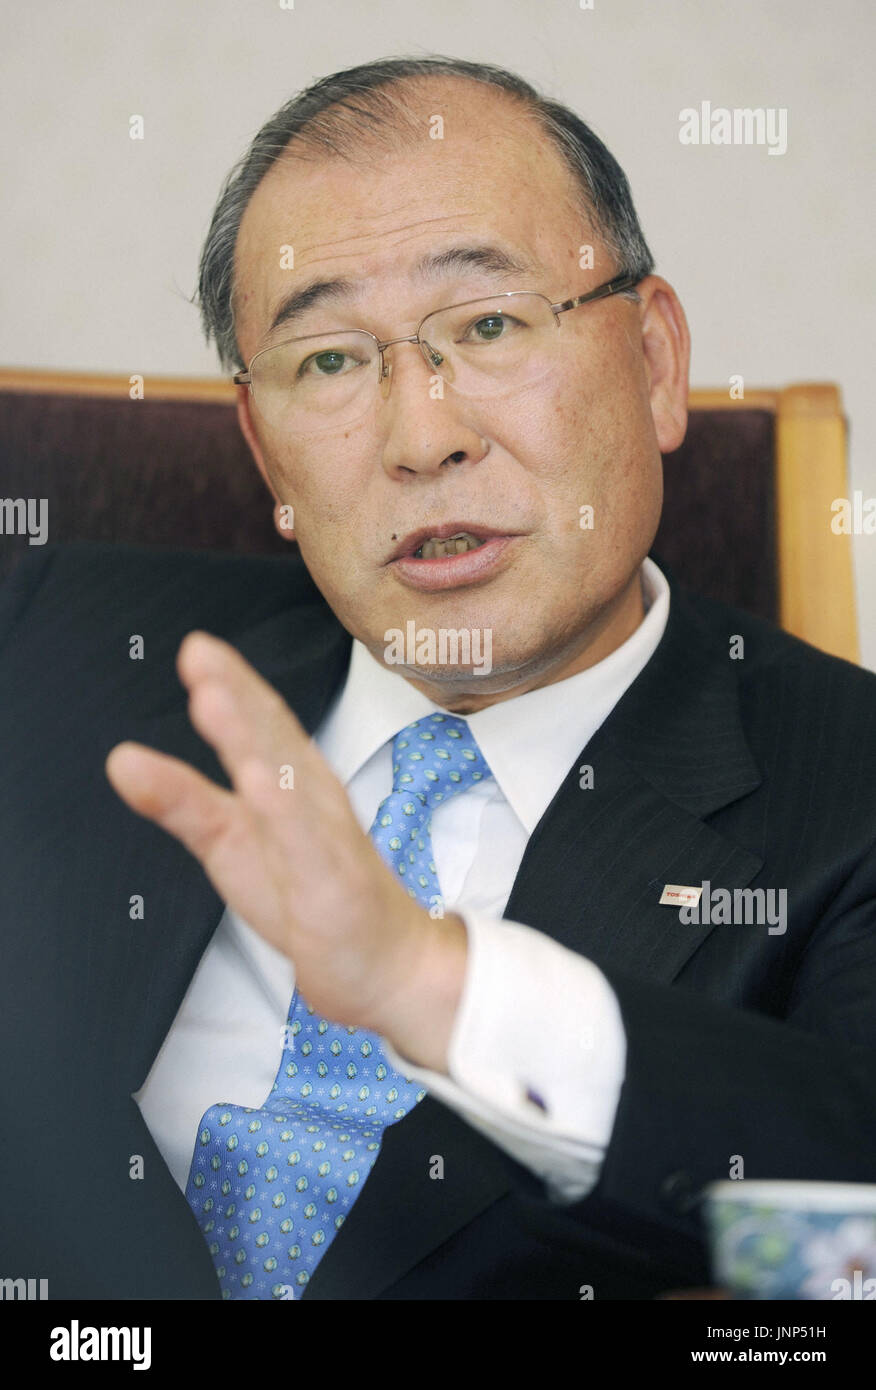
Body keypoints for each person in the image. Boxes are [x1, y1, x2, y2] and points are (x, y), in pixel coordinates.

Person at [1, 55, 874, 1302]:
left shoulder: (847, 797)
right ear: (264, 450)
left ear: (657, 362)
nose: (423, 439)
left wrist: (428, 983)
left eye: (490, 327)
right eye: (328, 362)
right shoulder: (49, 636)